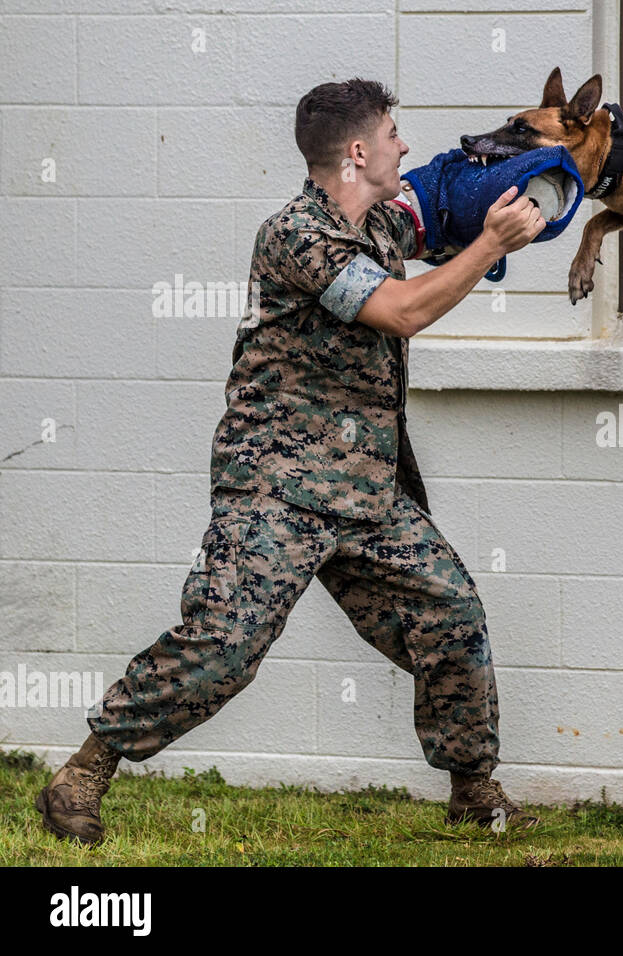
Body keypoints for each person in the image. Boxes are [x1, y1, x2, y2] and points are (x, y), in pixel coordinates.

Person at [35, 77, 547, 846]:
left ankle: (474, 791)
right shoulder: (297, 236)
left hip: (366, 488)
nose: (402, 143)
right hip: (276, 486)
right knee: (224, 646)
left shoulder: (379, 220)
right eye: (394, 133)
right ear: (357, 150)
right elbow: (401, 312)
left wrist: (535, 163)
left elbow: (438, 200)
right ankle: (84, 771)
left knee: (452, 616)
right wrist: (490, 248)